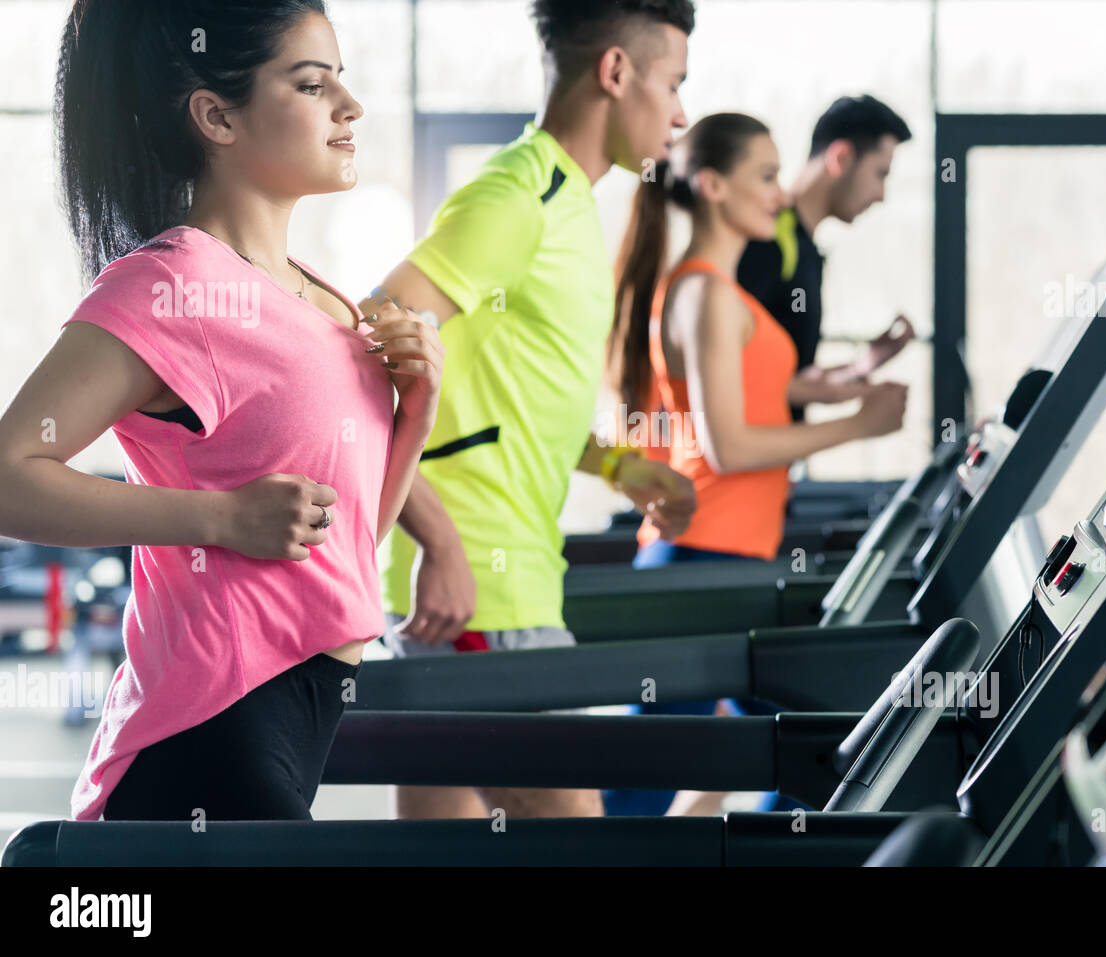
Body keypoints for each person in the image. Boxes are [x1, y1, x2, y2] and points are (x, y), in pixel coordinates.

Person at [0, 0, 443, 821]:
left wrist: (413, 419)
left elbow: (340, 550)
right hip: (208, 738)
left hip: (301, 719)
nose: (349, 108)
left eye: (342, 82)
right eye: (312, 86)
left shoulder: (326, 299)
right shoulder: (173, 284)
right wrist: (220, 517)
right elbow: (7, 475)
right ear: (216, 116)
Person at [367, 0, 699, 821]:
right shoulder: (519, 194)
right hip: (478, 589)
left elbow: (515, 397)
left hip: (486, 587)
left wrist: (618, 464)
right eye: (674, 84)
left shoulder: (574, 202)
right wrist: (437, 539)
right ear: (616, 73)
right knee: (576, 848)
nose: (682, 113)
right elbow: (366, 342)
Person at [601, 111, 908, 815]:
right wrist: (855, 424)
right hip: (700, 561)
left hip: (729, 558)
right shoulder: (705, 291)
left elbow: (769, 387)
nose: (779, 194)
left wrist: (843, 382)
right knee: (634, 792)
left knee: (806, 754)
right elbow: (728, 445)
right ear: (712, 186)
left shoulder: (726, 294)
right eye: (765, 177)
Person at [737, 94, 916, 422]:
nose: (881, 195)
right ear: (842, 157)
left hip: (776, 465)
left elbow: (791, 381)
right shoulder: (767, 241)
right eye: (881, 173)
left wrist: (864, 365)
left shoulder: (804, 250)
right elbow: (732, 380)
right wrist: (859, 424)